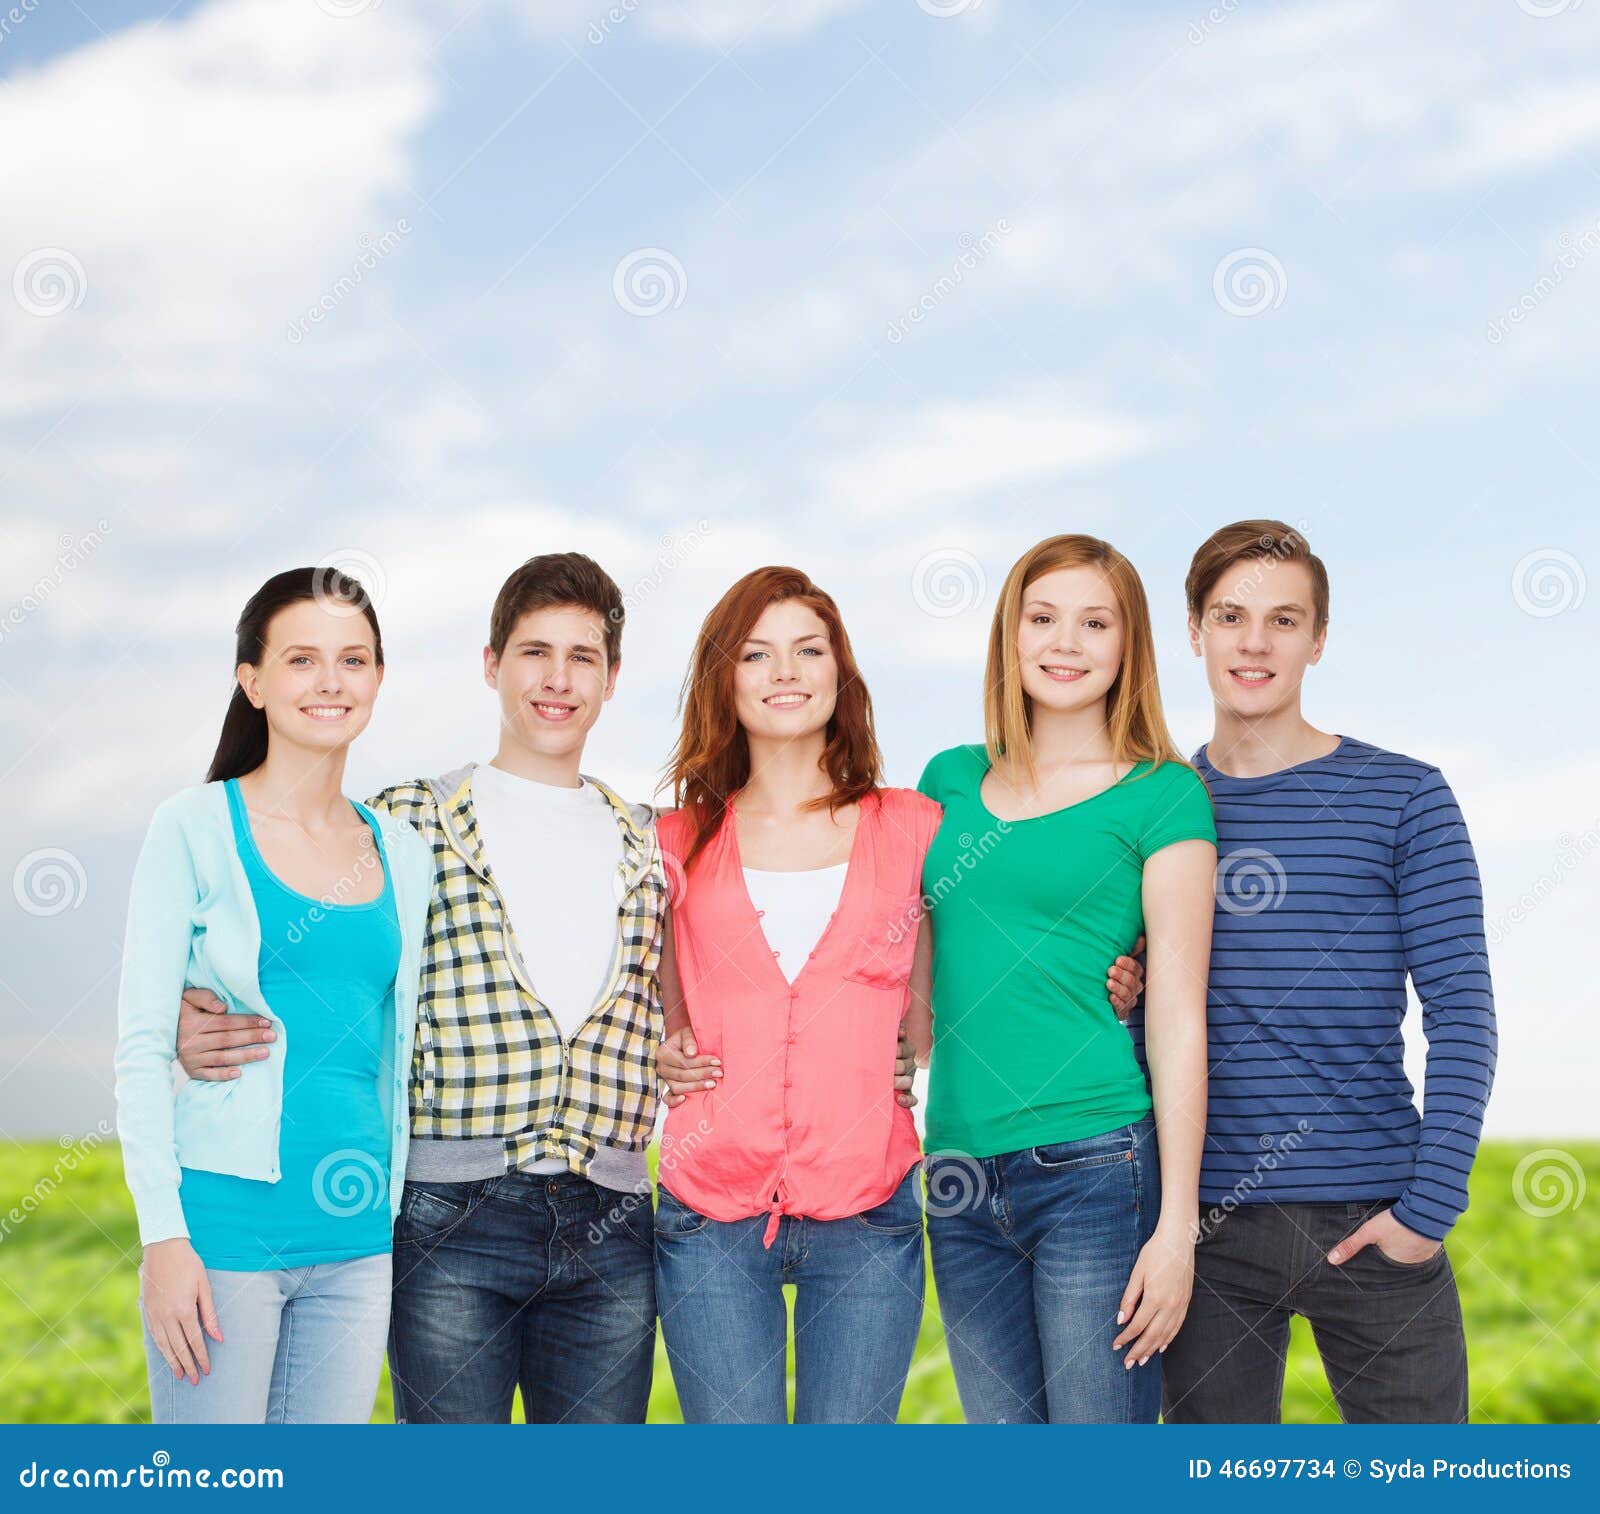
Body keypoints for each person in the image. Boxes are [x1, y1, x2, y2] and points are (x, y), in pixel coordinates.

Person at [173, 553, 667, 1423]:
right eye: (533, 653)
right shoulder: (404, 819)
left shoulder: (649, 841)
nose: (557, 680)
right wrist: (192, 1006)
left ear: (612, 678)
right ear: (490, 663)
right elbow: (304, 943)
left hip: (613, 1223)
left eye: (583, 657)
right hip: (452, 1218)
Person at [1156, 520, 1497, 1424]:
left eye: (1283, 620)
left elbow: (1461, 1014)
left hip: (1375, 1216)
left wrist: (1426, 1212)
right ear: (1194, 632)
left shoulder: (1406, 796)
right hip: (1205, 1230)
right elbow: (1150, 1012)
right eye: (1231, 616)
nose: (1255, 643)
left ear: (1318, 639)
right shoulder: (1156, 808)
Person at [114, 568, 435, 1424]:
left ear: (376, 679)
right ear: (252, 681)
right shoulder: (192, 826)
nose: (330, 682)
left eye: (354, 660)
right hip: (222, 1235)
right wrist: (163, 1240)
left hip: (360, 1242)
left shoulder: (403, 850)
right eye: (301, 659)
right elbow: (142, 1045)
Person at [913, 533, 1216, 1425]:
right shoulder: (948, 780)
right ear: (1011, 635)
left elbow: (1177, 1016)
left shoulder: (1163, 794)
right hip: (958, 1169)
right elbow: (909, 979)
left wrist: (1177, 1229)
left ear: (1129, 646)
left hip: (1096, 1162)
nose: (1065, 643)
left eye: (1095, 622)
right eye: (1042, 619)